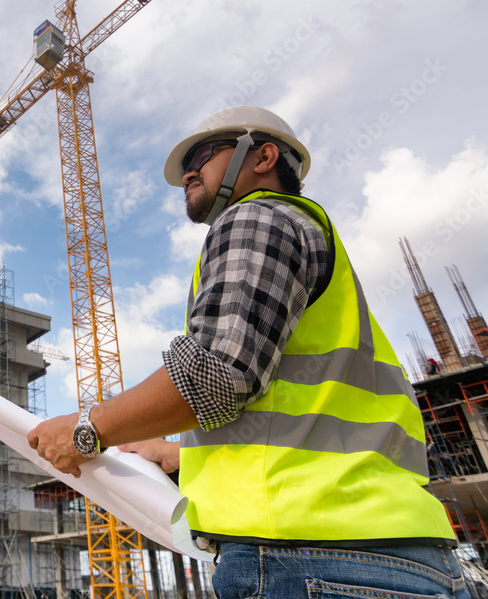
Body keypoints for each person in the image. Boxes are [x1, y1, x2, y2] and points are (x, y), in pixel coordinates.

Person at [27, 106, 468, 598]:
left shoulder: (255, 216)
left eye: (202, 154)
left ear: (264, 155)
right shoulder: (307, 236)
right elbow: (301, 420)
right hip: (394, 552)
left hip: (308, 556)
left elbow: (215, 375)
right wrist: (179, 454)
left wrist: (88, 429)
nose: (188, 172)